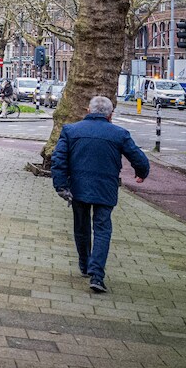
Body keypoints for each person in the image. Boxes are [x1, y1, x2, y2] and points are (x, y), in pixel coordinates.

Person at [50, 95, 149, 294]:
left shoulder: (71, 130)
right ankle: (97, 274)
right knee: (103, 229)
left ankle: (85, 264)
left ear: (88, 110)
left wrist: (61, 185)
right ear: (110, 115)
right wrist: (141, 173)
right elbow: (139, 158)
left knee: (82, 226)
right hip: (106, 188)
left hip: (78, 187)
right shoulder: (119, 134)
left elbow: (58, 160)